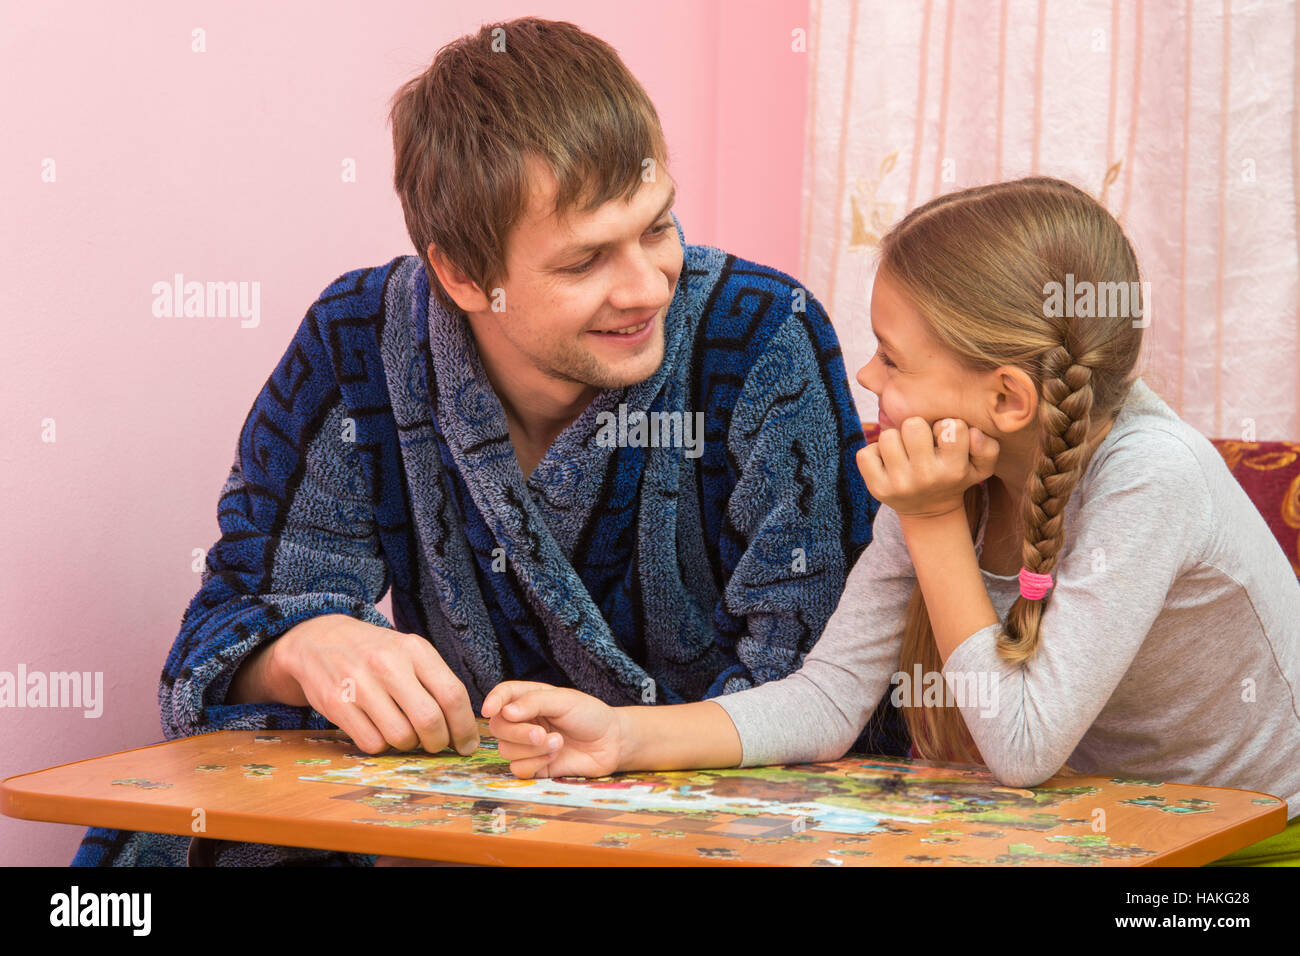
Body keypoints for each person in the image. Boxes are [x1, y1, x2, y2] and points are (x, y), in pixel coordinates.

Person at [70, 17, 894, 867]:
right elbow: (214, 649)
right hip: (465, 820)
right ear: (462, 276)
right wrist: (307, 646)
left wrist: (622, 751)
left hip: (712, 809)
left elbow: (824, 688)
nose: (648, 284)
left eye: (657, 227)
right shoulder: (360, 342)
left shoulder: (762, 333)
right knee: (159, 847)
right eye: (584, 263)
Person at [483, 177, 1300, 865]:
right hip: (1102, 834)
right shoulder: (947, 462)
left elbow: (1023, 745)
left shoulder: (1151, 475)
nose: (866, 373)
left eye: (893, 358)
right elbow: (831, 697)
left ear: (1007, 398)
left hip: (1252, 847)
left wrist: (935, 519)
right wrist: (620, 738)